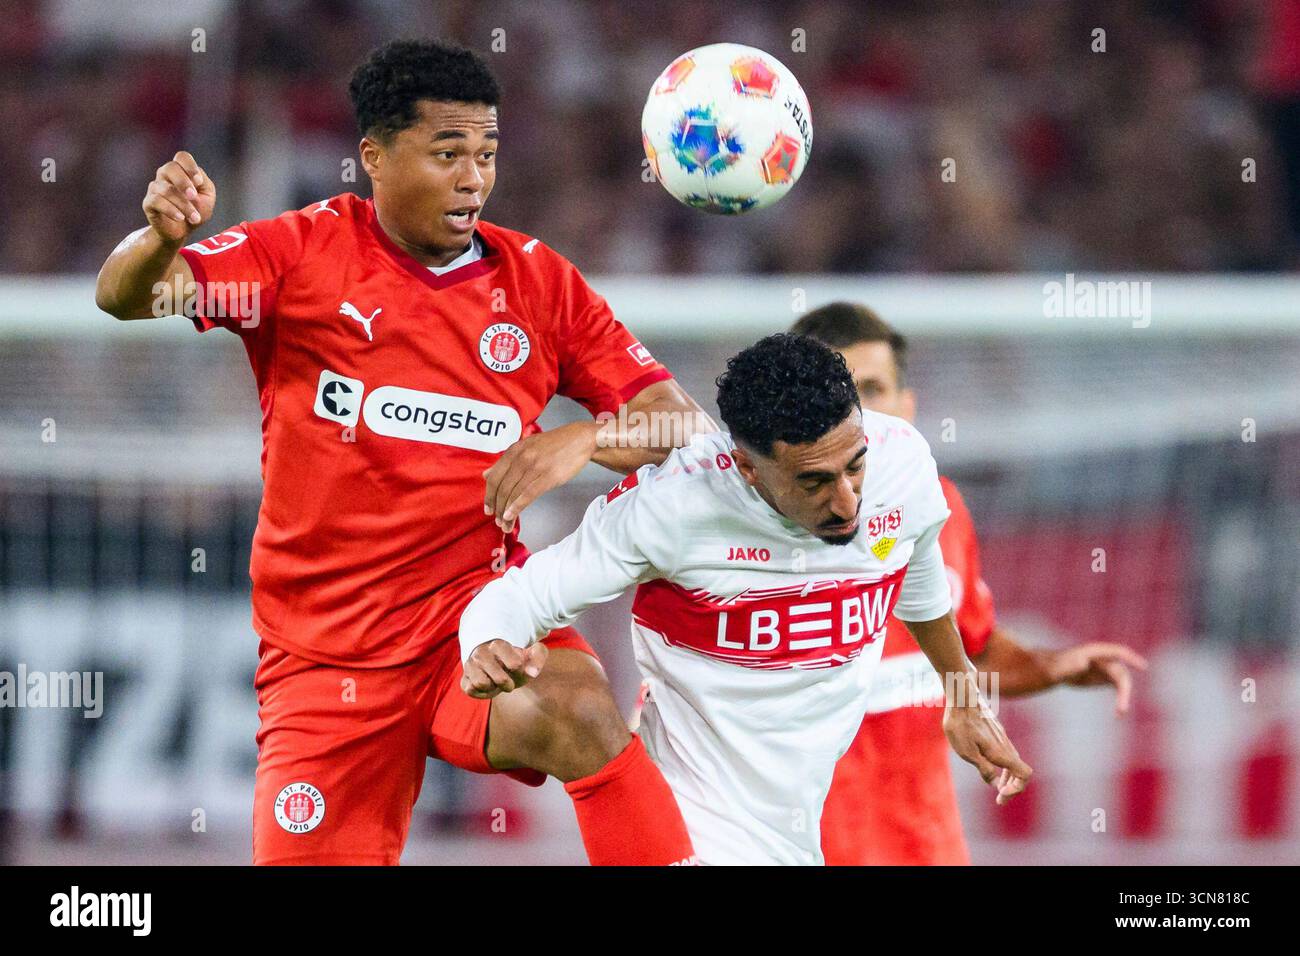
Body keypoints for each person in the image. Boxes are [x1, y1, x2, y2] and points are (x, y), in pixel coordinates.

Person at [93, 39, 712, 866]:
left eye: (486, 154)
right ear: (374, 158)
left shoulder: (536, 282)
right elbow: (129, 296)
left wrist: (591, 437)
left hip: (477, 624)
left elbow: (679, 422)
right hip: (323, 658)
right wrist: (159, 239)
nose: (473, 178)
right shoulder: (300, 255)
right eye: (448, 153)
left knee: (576, 705)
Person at [458, 334, 1032, 865]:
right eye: (813, 482)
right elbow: (517, 598)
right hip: (687, 823)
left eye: (854, 466)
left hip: (792, 833)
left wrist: (963, 696)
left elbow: (917, 567)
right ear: (750, 471)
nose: (846, 500)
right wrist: (486, 643)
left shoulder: (901, 461)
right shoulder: (675, 507)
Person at [792, 302, 1148, 865]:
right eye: (837, 393)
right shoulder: (747, 531)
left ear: (907, 406)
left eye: (873, 389)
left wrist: (1051, 666)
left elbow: (970, 652)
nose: (858, 412)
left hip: (921, 845)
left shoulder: (941, 509)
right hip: (792, 846)